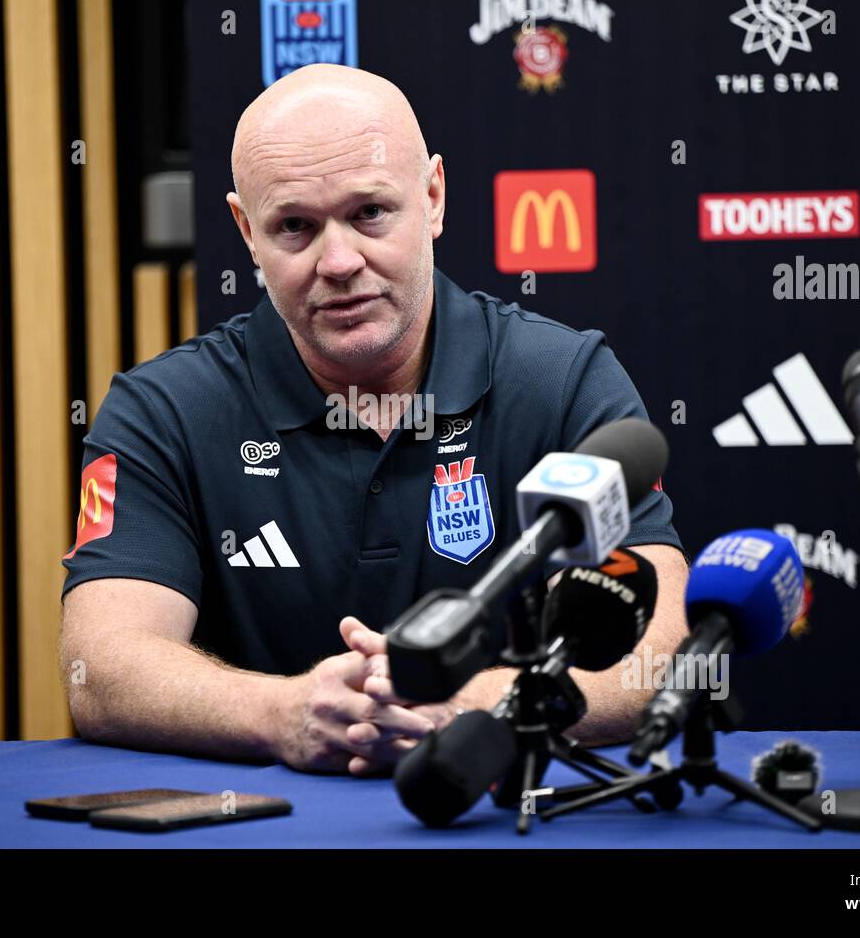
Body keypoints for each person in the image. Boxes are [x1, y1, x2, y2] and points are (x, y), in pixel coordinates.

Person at [60, 63, 689, 776]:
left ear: (434, 198)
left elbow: (659, 649)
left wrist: (456, 708)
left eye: (369, 214)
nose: (339, 260)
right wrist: (285, 713)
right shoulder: (163, 412)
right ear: (245, 232)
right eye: (294, 226)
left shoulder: (563, 381)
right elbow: (101, 670)